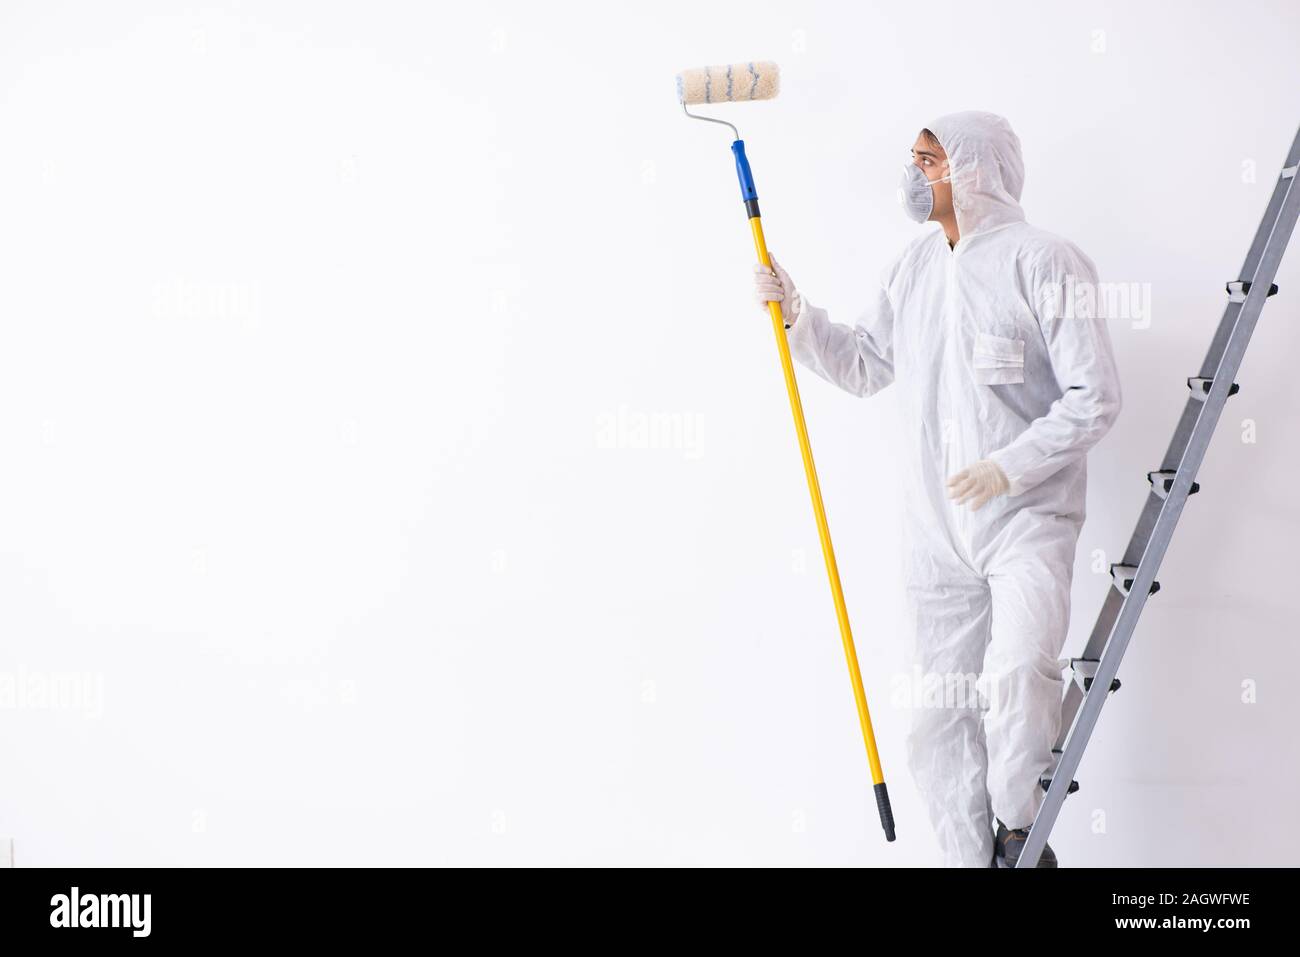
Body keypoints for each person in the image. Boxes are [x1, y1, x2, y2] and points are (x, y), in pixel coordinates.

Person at [754, 111, 1121, 868]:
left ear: (975, 169)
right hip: (935, 531)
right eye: (914, 159)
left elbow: (1095, 395)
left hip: (1025, 517)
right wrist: (796, 315)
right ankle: (969, 858)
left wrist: (1009, 465)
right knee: (934, 716)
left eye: (929, 160)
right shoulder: (912, 269)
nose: (913, 174)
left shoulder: (1047, 261)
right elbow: (862, 364)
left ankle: (1023, 830)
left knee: (1020, 674)